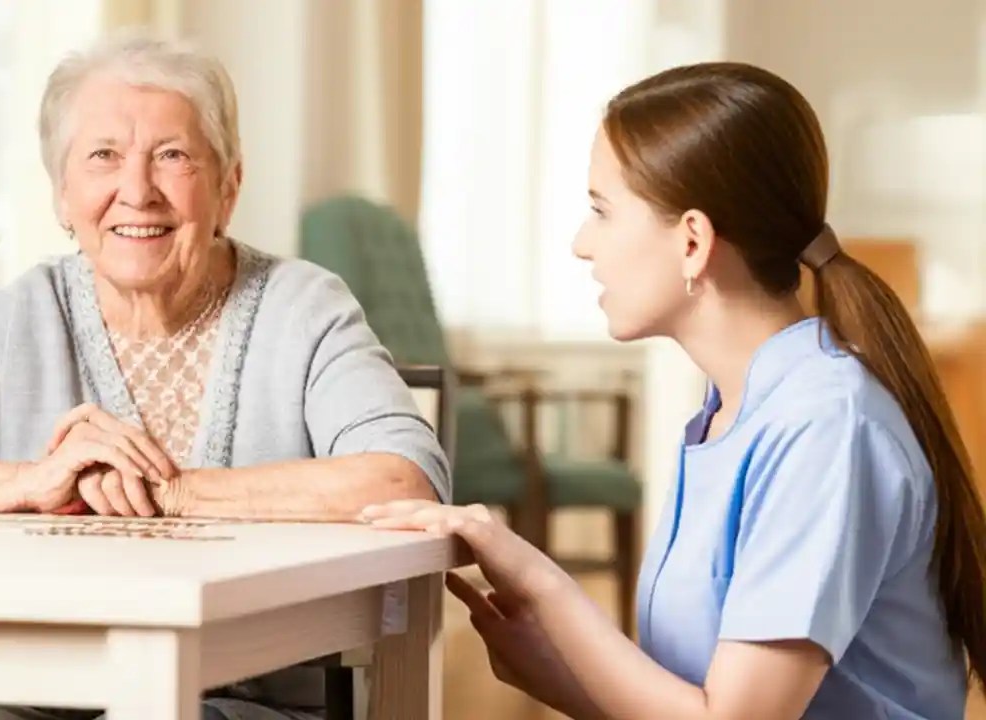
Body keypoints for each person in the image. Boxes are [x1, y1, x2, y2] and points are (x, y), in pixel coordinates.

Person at [0, 30, 449, 720]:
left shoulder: (303, 306)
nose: (137, 191)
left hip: (256, 696)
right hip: (36, 685)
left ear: (228, 185)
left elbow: (404, 477)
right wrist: (29, 484)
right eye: (103, 156)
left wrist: (176, 490)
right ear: (63, 195)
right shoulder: (15, 318)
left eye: (173, 156)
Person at [362, 61, 986, 719]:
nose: (581, 244)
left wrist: (544, 583)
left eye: (601, 210)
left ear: (692, 241)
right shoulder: (733, 414)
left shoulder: (825, 426)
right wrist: (558, 676)